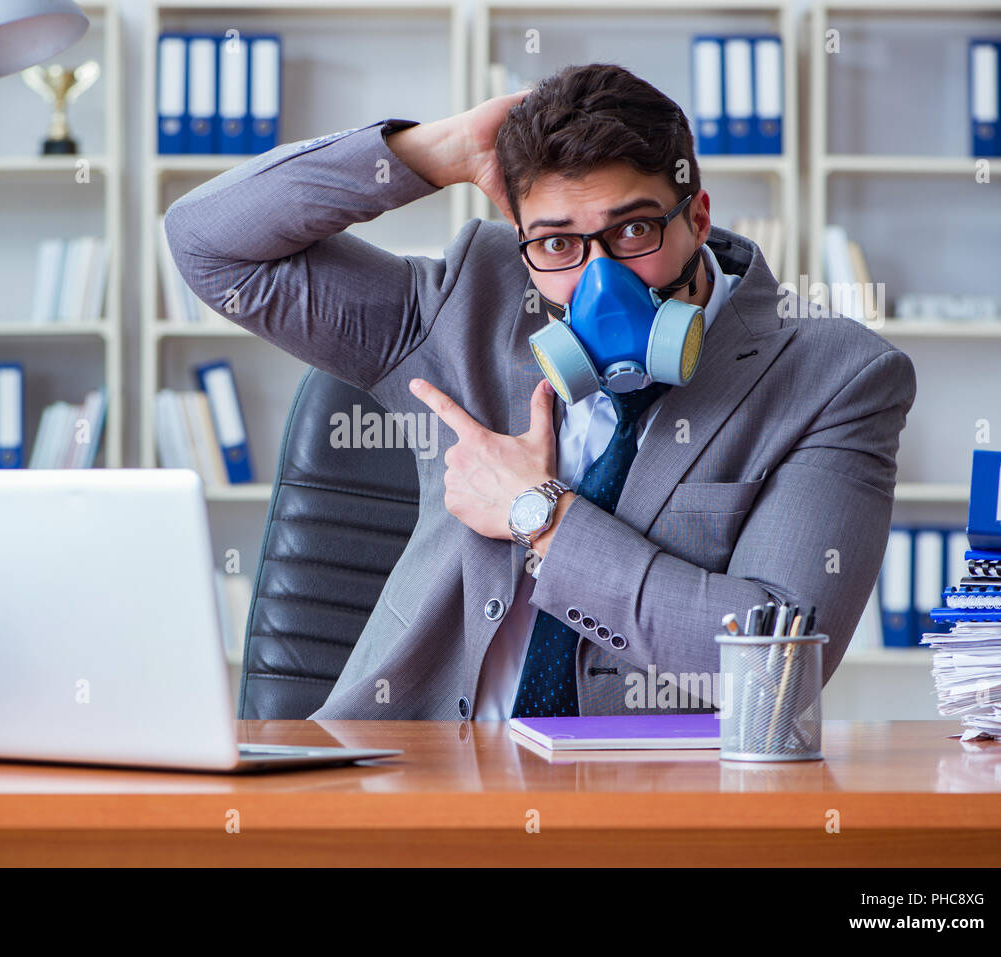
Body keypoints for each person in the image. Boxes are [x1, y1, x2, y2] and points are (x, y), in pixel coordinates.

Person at [164, 63, 916, 720]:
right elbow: (209, 245)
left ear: (697, 216)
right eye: (557, 243)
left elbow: (777, 665)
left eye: (633, 232)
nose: (600, 280)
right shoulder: (473, 297)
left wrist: (543, 517)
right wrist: (437, 152)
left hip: (638, 795)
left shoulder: (833, 376)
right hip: (412, 762)